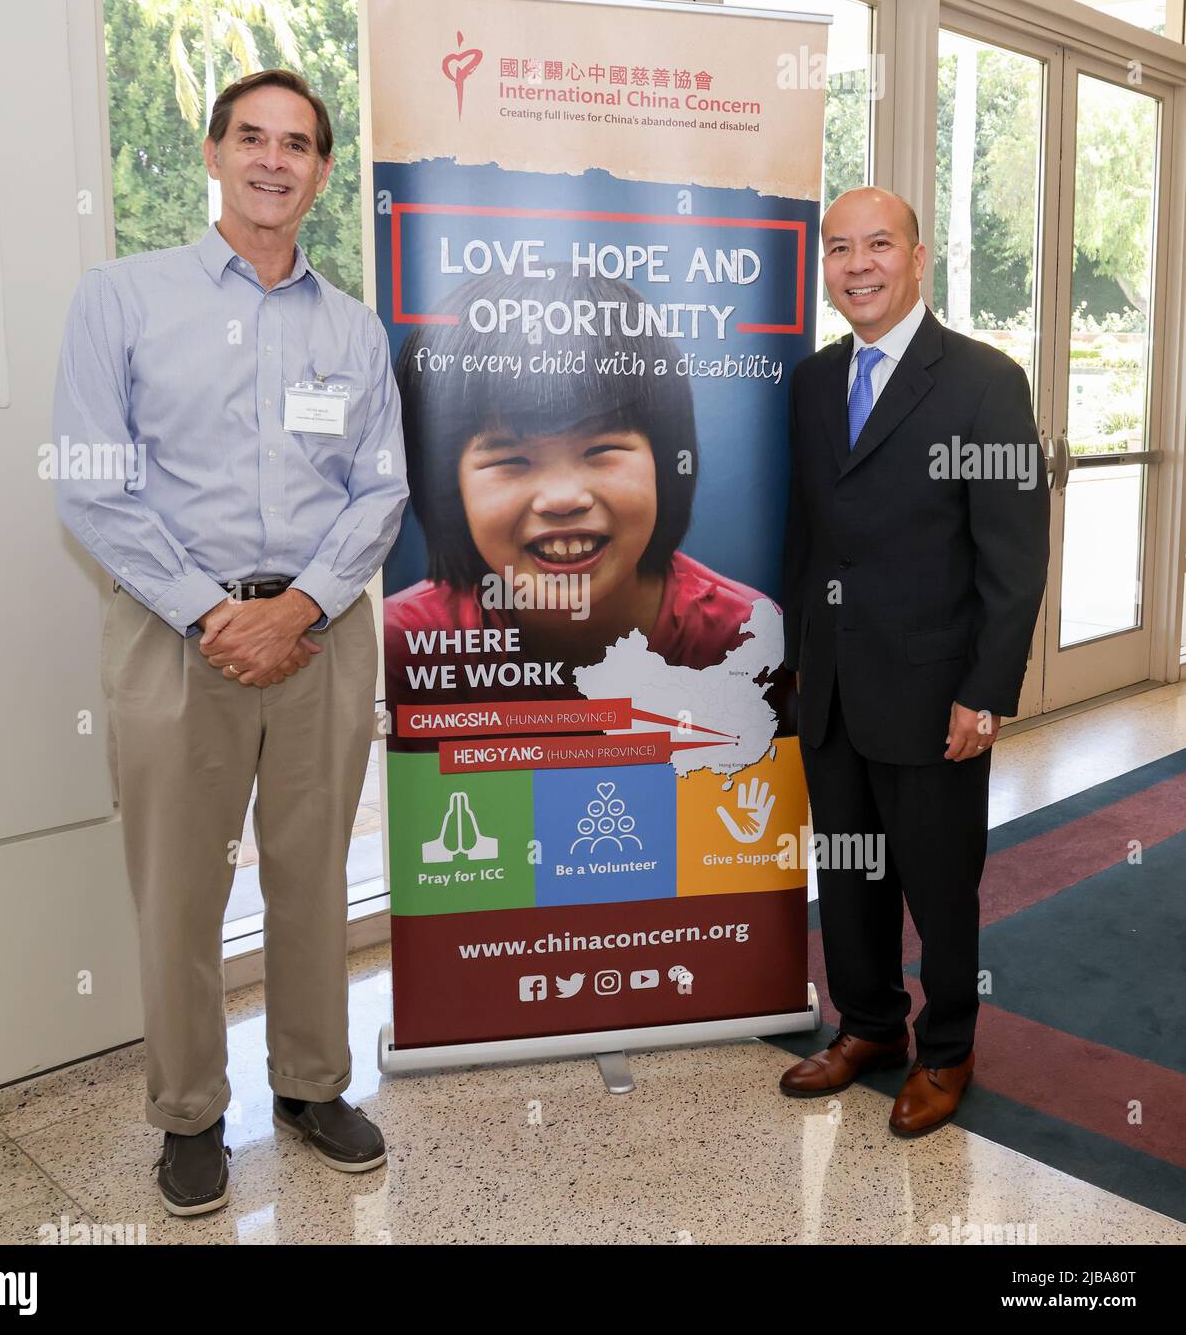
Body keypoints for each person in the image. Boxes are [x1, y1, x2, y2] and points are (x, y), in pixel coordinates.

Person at [53, 69, 408, 1214]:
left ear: (318, 170)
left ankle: (310, 1085)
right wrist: (213, 613)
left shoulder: (353, 330)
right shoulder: (122, 298)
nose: (273, 160)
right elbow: (92, 484)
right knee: (180, 886)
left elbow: (380, 491)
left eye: (297, 144)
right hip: (175, 634)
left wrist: (297, 608)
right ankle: (190, 1112)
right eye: (251, 137)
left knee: (312, 872)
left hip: (319, 635)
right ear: (212, 153)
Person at [778, 186, 1048, 1135]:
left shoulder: (985, 382)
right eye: (840, 247)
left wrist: (985, 691)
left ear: (918, 258)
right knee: (848, 875)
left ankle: (946, 1049)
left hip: (936, 696)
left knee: (937, 882)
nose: (858, 264)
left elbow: (1014, 559)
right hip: (835, 691)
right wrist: (800, 660)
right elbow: (807, 537)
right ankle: (869, 1027)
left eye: (879, 244)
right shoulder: (813, 383)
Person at [385, 266, 795, 747]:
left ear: (665, 462)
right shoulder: (406, 645)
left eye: (600, 451)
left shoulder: (744, 638)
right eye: (512, 459)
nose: (562, 498)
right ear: (446, 488)